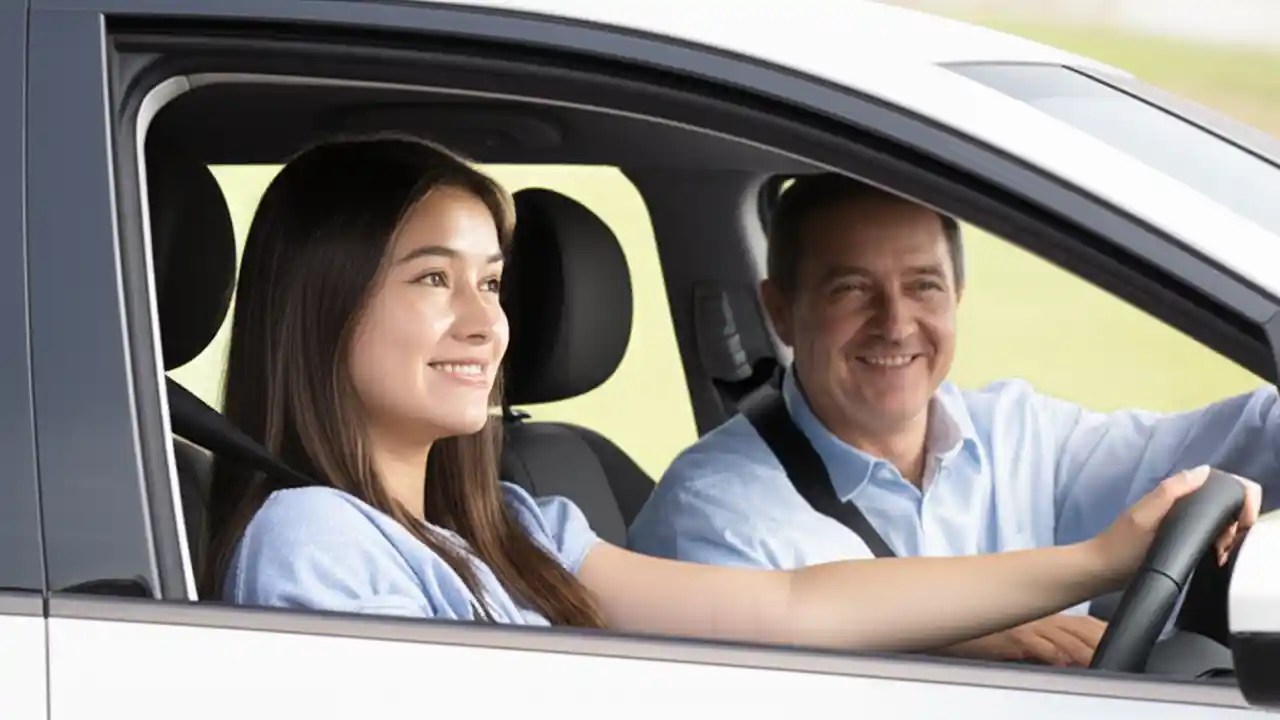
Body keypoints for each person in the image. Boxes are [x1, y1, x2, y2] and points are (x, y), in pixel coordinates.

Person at [199, 137, 1258, 658]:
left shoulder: (514, 531)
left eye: (491, 282)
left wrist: (1102, 560)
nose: (486, 324)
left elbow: (795, 606)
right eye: (434, 280)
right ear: (323, 304)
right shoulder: (316, 540)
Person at [627, 172, 1277, 665]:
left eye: (923, 286)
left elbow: (1248, 434)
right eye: (851, 289)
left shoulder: (1020, 436)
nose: (895, 323)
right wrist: (963, 640)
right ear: (781, 310)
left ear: (957, 296)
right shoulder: (709, 516)